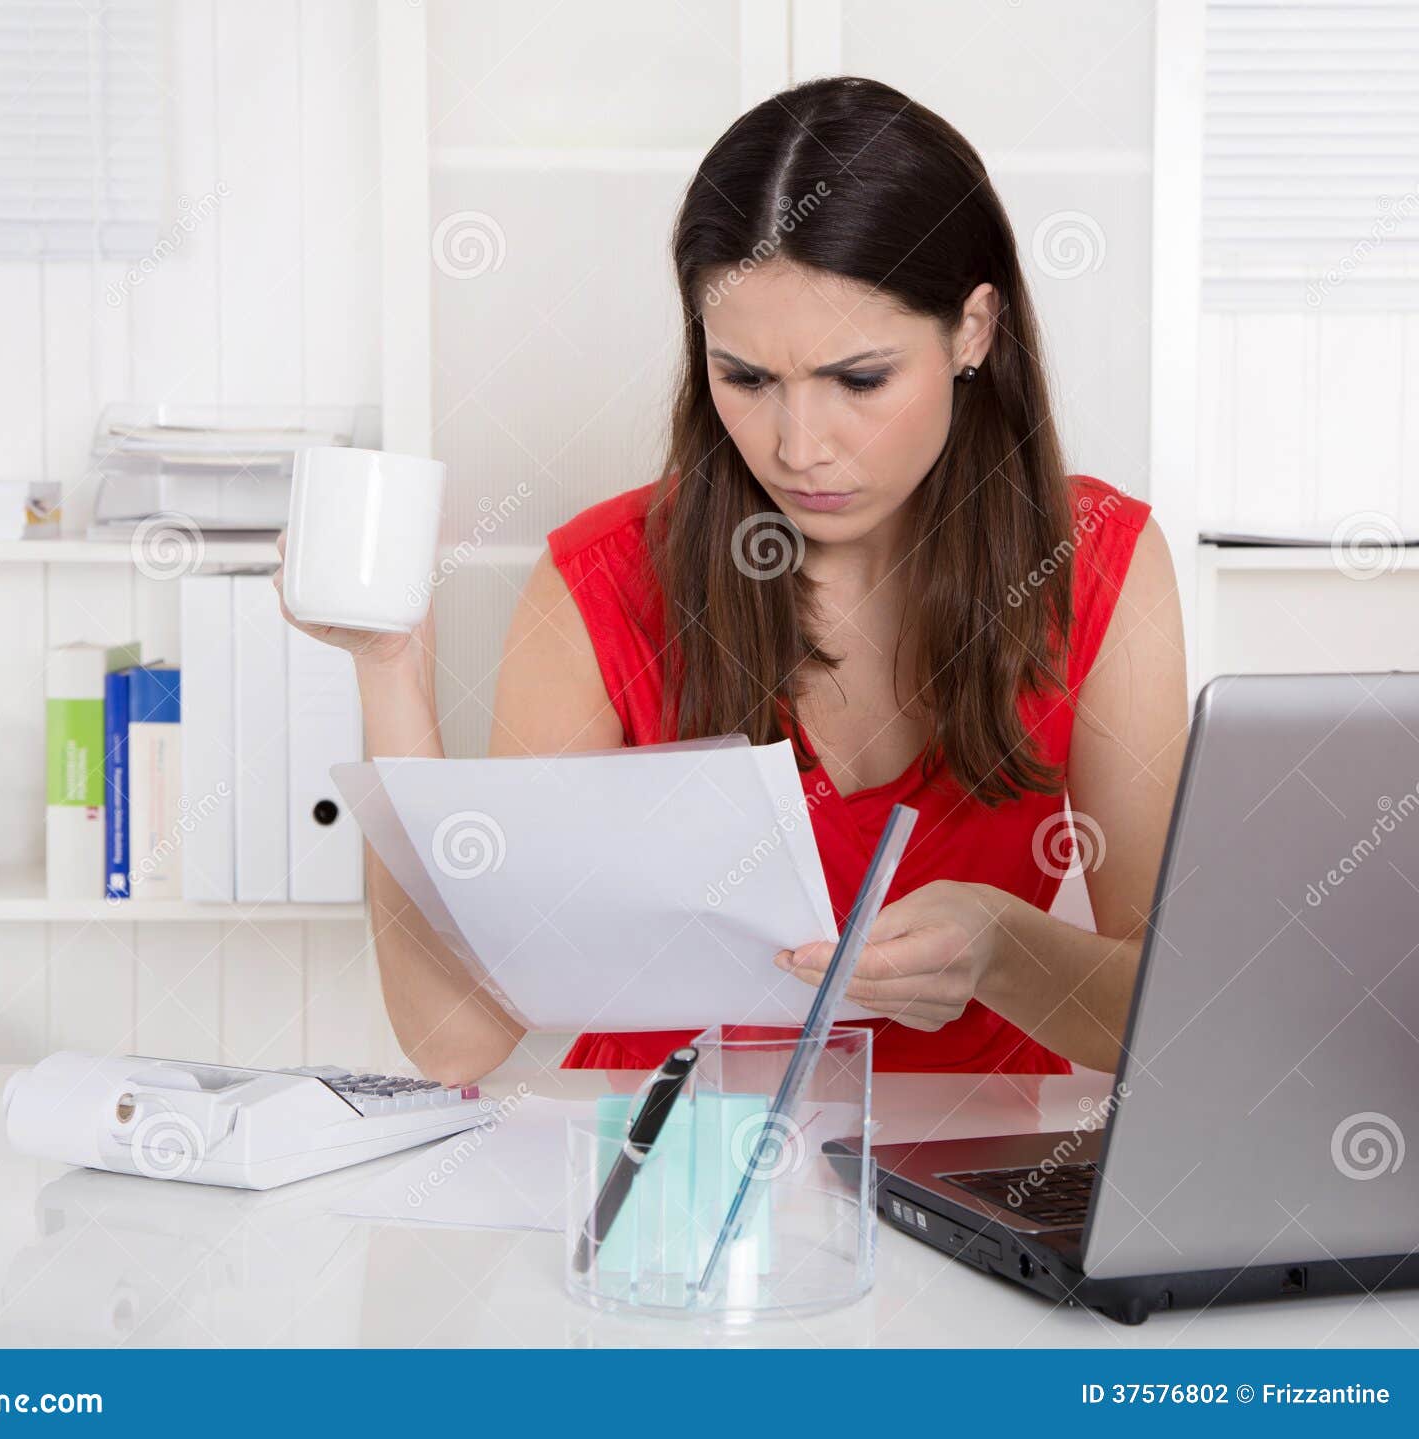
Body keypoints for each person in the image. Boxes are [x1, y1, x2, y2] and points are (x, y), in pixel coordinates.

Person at [274, 75, 1187, 1085]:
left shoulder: (1096, 559)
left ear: (971, 329)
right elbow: (458, 1040)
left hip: (967, 1185)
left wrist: (1002, 947)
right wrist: (388, 669)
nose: (798, 447)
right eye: (746, 378)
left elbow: (1166, 1020)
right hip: (662, 1177)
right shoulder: (601, 580)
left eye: (859, 378)